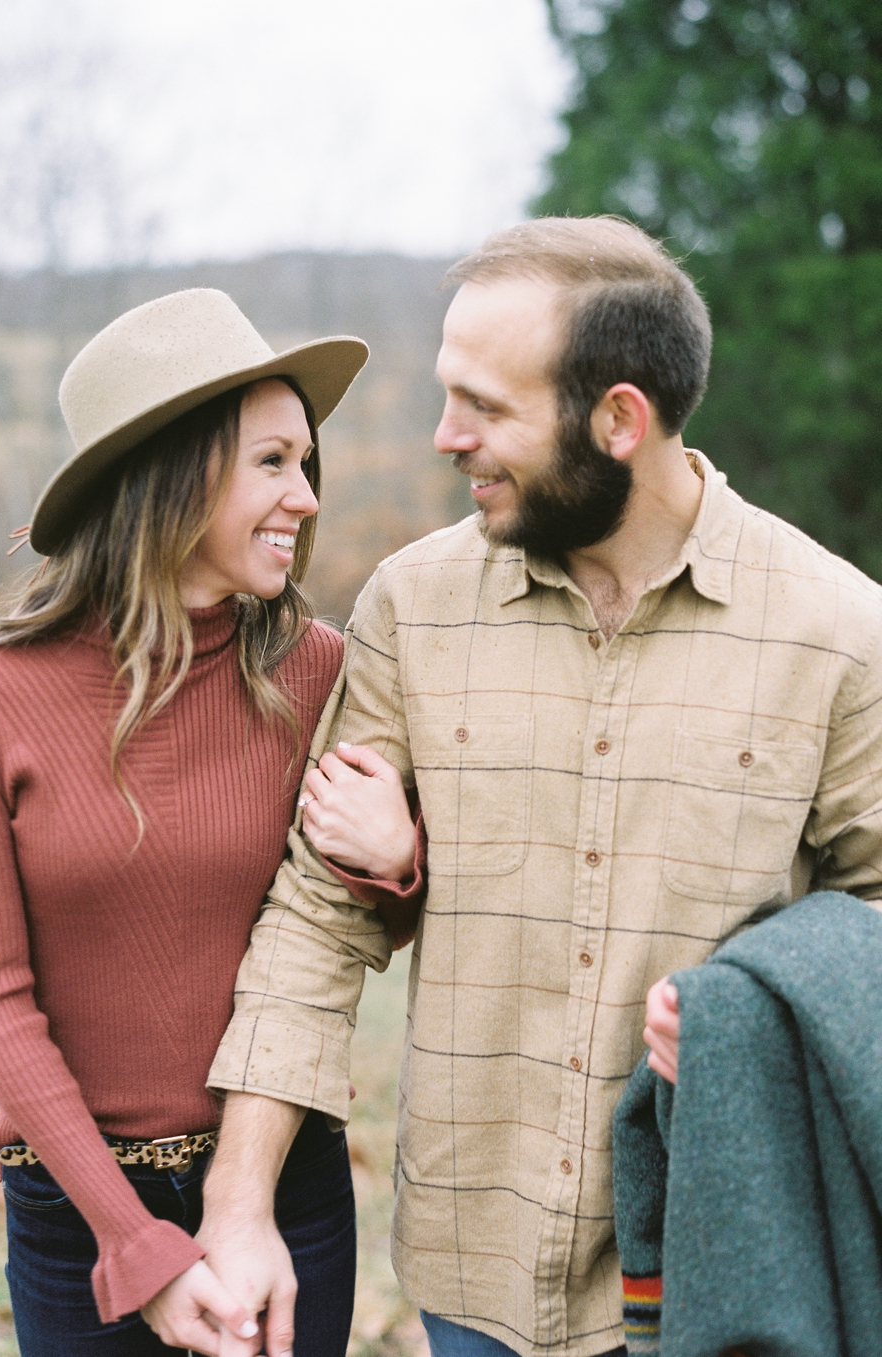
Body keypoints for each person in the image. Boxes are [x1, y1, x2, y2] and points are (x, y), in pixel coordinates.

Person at [186, 217, 882, 1357]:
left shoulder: (841, 632)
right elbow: (317, 919)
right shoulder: (415, 606)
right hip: (474, 1265)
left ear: (618, 418)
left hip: (726, 1272)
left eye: (486, 407)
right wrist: (238, 1202)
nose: (444, 436)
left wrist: (760, 1000)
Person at [0, 287, 417, 1356]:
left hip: (285, 1184)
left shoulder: (318, 671)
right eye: (272, 462)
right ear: (176, 473)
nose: (308, 496)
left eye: (306, 462)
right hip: (75, 1210)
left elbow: (348, 917)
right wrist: (131, 1239)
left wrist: (403, 863)